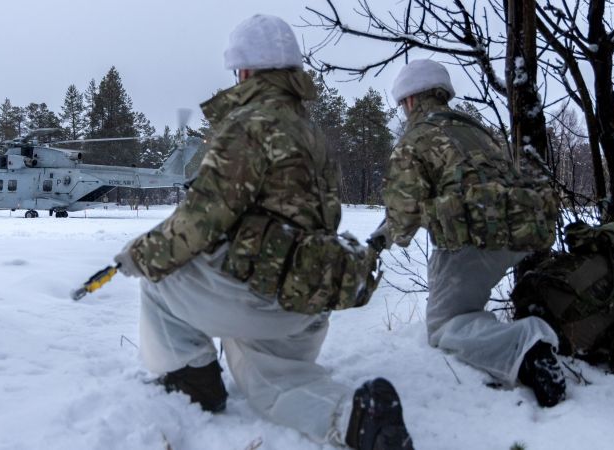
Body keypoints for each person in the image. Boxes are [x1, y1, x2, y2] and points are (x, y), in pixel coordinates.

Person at [113, 14, 413, 450]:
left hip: (262, 295)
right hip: (307, 300)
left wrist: (138, 256)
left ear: (245, 71)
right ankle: (356, 419)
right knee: (274, 384)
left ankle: (192, 383)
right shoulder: (311, 133)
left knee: (159, 279)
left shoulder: (248, 124)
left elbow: (201, 220)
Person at [371, 59, 566, 407]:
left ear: (411, 100)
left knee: (445, 326)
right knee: (465, 302)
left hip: (473, 242)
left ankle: (524, 346)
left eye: (403, 104)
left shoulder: (415, 139)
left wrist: (379, 241)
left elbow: (402, 216)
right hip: (520, 233)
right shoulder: (476, 131)